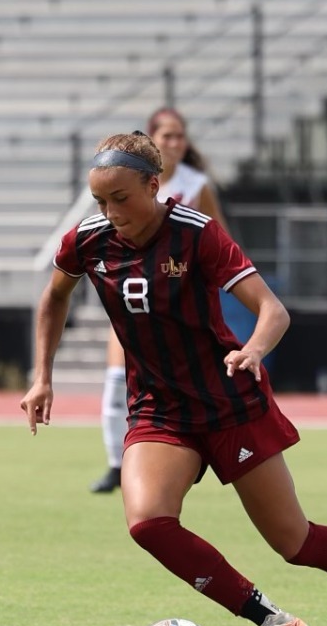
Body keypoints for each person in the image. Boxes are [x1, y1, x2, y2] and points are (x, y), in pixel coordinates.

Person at [22, 132, 327, 626]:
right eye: (100, 201)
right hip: (159, 409)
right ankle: (273, 622)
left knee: (294, 542)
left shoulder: (196, 234)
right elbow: (54, 298)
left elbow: (272, 311)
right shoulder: (88, 241)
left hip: (228, 401)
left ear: (153, 186)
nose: (110, 213)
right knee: (148, 523)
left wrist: (253, 350)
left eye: (121, 198)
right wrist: (43, 375)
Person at [88, 107, 231, 495]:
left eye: (179, 137)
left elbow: (220, 241)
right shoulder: (123, 184)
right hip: (133, 301)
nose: (174, 144)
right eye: (166, 137)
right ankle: (116, 464)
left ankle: (195, 453)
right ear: (151, 142)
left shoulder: (194, 184)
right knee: (117, 381)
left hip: (179, 307)